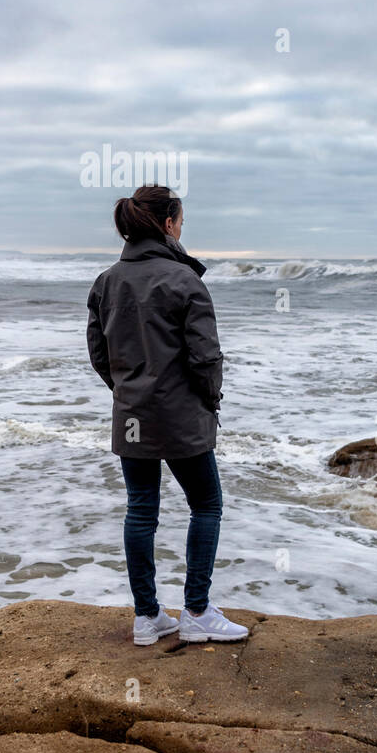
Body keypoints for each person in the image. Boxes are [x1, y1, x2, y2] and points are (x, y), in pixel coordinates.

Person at [86, 184, 248, 646]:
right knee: (207, 504)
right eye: (182, 221)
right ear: (169, 224)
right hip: (181, 417)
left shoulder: (106, 282)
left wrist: (127, 393)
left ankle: (147, 617)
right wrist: (209, 401)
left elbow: (99, 353)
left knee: (141, 510)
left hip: (132, 415)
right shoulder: (185, 281)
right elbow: (206, 358)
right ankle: (196, 610)